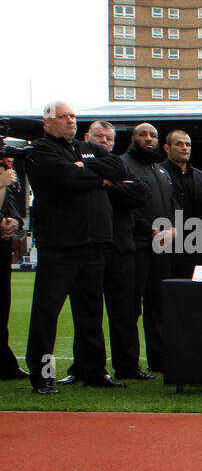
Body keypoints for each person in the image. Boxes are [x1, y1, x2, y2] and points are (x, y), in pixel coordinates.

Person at [24, 101, 128, 393]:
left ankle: (94, 370)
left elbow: (117, 167)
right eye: (63, 116)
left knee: (91, 313)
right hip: (60, 244)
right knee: (47, 313)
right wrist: (94, 175)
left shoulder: (84, 149)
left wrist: (85, 166)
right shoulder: (40, 150)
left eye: (72, 116)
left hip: (94, 242)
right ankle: (42, 375)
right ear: (47, 122)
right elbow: (64, 177)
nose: (70, 120)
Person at [57, 120, 148, 386]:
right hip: (87, 247)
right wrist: (104, 182)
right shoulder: (73, 162)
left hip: (120, 247)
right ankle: (82, 368)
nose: (105, 142)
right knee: (87, 312)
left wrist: (102, 184)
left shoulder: (122, 165)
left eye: (109, 138)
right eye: (99, 136)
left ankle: (128, 366)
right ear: (87, 137)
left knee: (125, 312)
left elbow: (139, 193)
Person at [122, 122, 177, 378]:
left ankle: (160, 360)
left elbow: (173, 205)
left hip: (162, 247)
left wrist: (174, 228)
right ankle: (128, 365)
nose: (148, 138)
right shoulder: (124, 165)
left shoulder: (161, 170)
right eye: (143, 134)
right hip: (136, 247)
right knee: (130, 307)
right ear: (133, 138)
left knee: (158, 306)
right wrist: (150, 230)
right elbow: (124, 207)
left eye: (153, 135)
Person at [160, 129, 202, 277]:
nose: (185, 147)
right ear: (167, 148)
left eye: (188, 144)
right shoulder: (157, 174)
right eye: (179, 144)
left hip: (196, 247)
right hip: (168, 246)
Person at [1, 163, 26, 378]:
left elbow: (11, 205)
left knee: (2, 307)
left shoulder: (5, 169)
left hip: (2, 246)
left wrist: (14, 222)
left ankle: (4, 364)